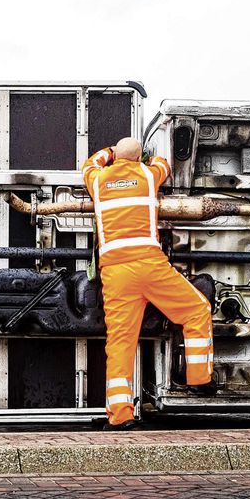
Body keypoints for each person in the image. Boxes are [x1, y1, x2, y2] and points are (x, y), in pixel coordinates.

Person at [83, 136, 215, 430]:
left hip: (116, 273)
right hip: (150, 266)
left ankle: (120, 415)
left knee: (119, 342)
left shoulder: (98, 179)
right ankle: (198, 380)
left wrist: (109, 153)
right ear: (138, 157)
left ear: (116, 156)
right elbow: (164, 165)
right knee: (197, 310)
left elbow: (88, 165)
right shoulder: (146, 174)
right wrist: (145, 158)